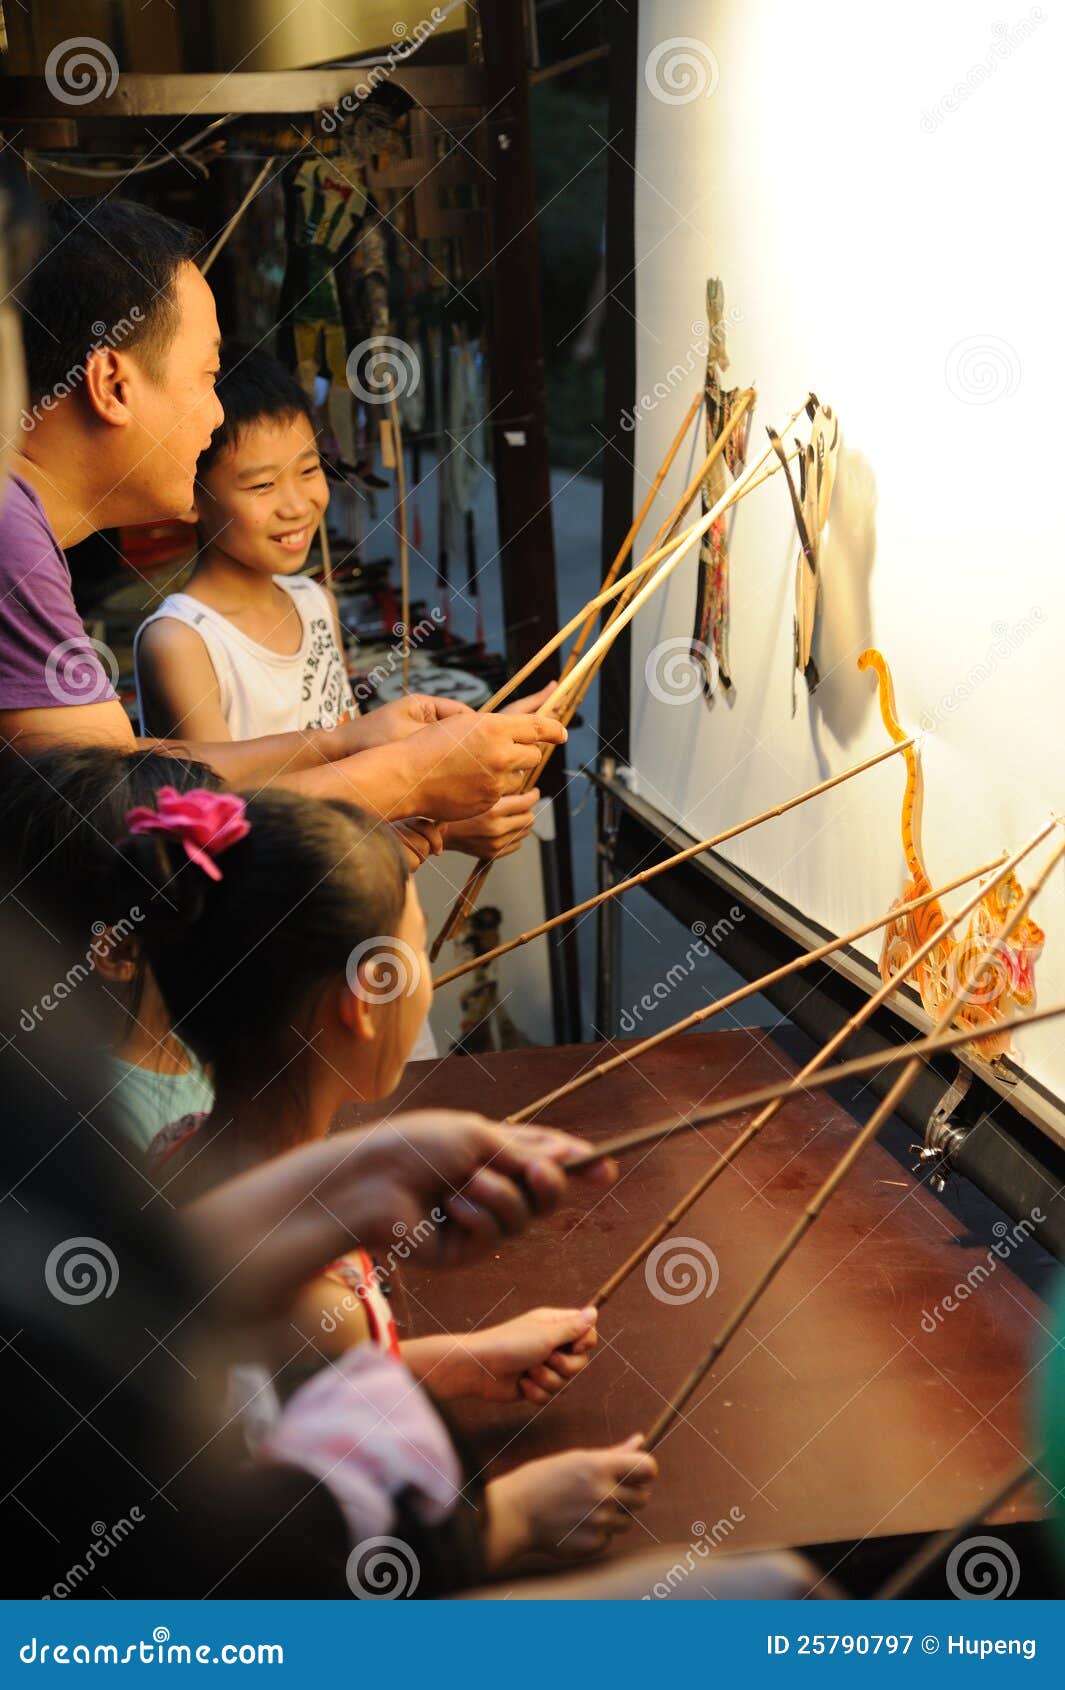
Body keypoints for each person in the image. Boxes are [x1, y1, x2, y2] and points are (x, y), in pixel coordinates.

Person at [120, 777, 657, 1562]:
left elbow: (268, 1399)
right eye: (416, 946)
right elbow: (307, 1547)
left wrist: (466, 1365)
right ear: (363, 1001)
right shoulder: (319, 1306)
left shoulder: (177, 1150)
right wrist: (507, 1518)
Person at [1, 194, 565, 831]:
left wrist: (352, 743)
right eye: (208, 376)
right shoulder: (8, 539)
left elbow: (121, 770)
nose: (216, 415)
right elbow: (126, 824)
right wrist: (411, 779)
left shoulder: (19, 527)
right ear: (113, 385)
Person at [134, 343, 543, 864]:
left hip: (344, 877)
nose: (297, 504)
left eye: (308, 470)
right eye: (262, 484)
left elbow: (359, 753)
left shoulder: (313, 601)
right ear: (190, 496)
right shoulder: (183, 642)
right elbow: (224, 829)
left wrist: (454, 794)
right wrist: (417, 827)